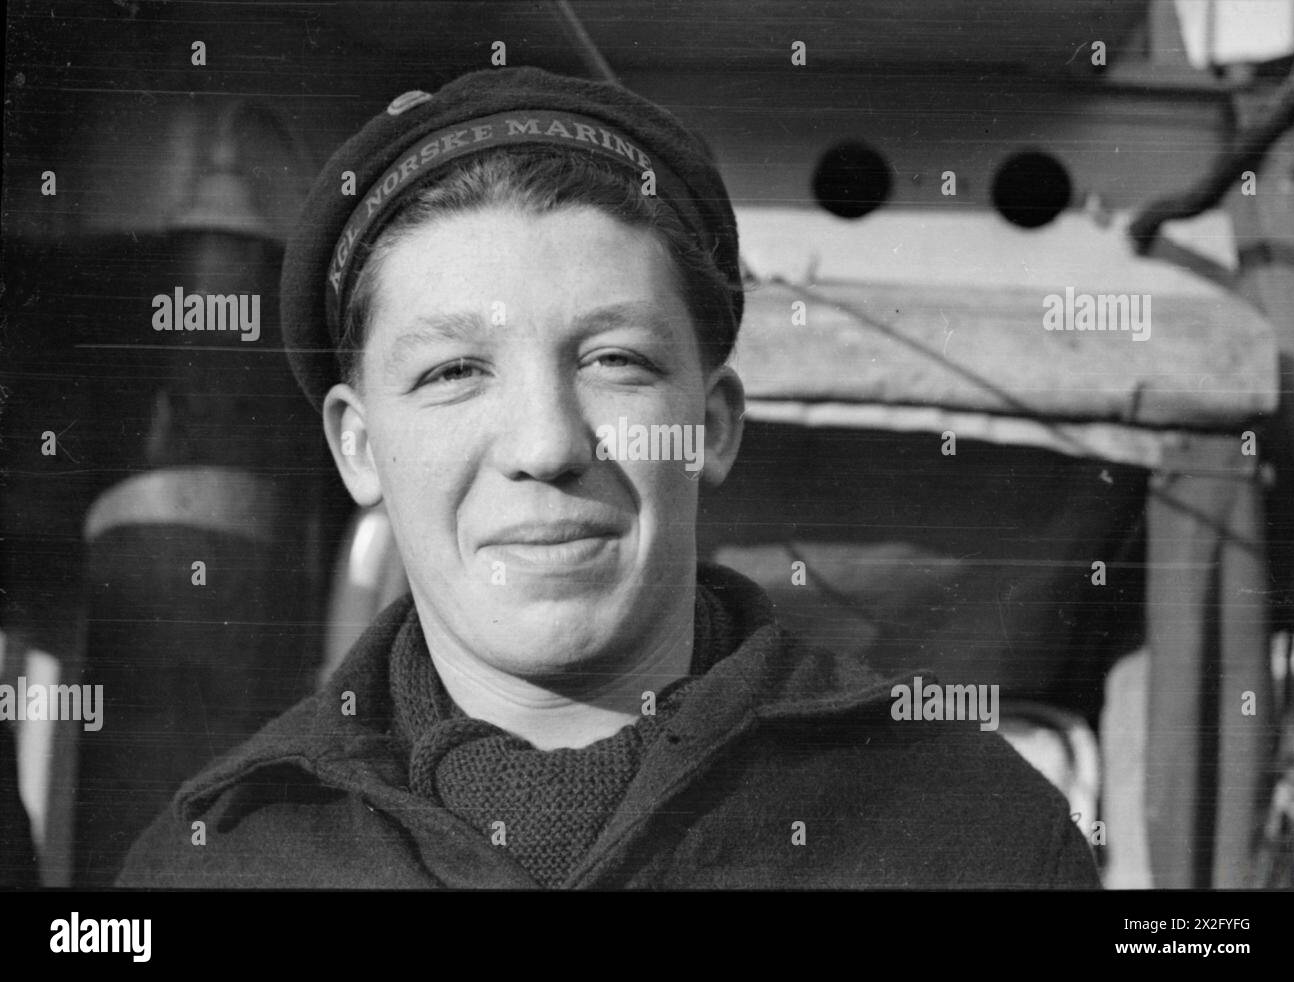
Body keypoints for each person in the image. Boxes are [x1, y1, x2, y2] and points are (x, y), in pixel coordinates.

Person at [117, 66, 1100, 889]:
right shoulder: (213, 864)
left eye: (614, 360)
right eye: (453, 371)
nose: (545, 445)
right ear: (358, 447)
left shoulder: (975, 834)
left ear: (711, 427)